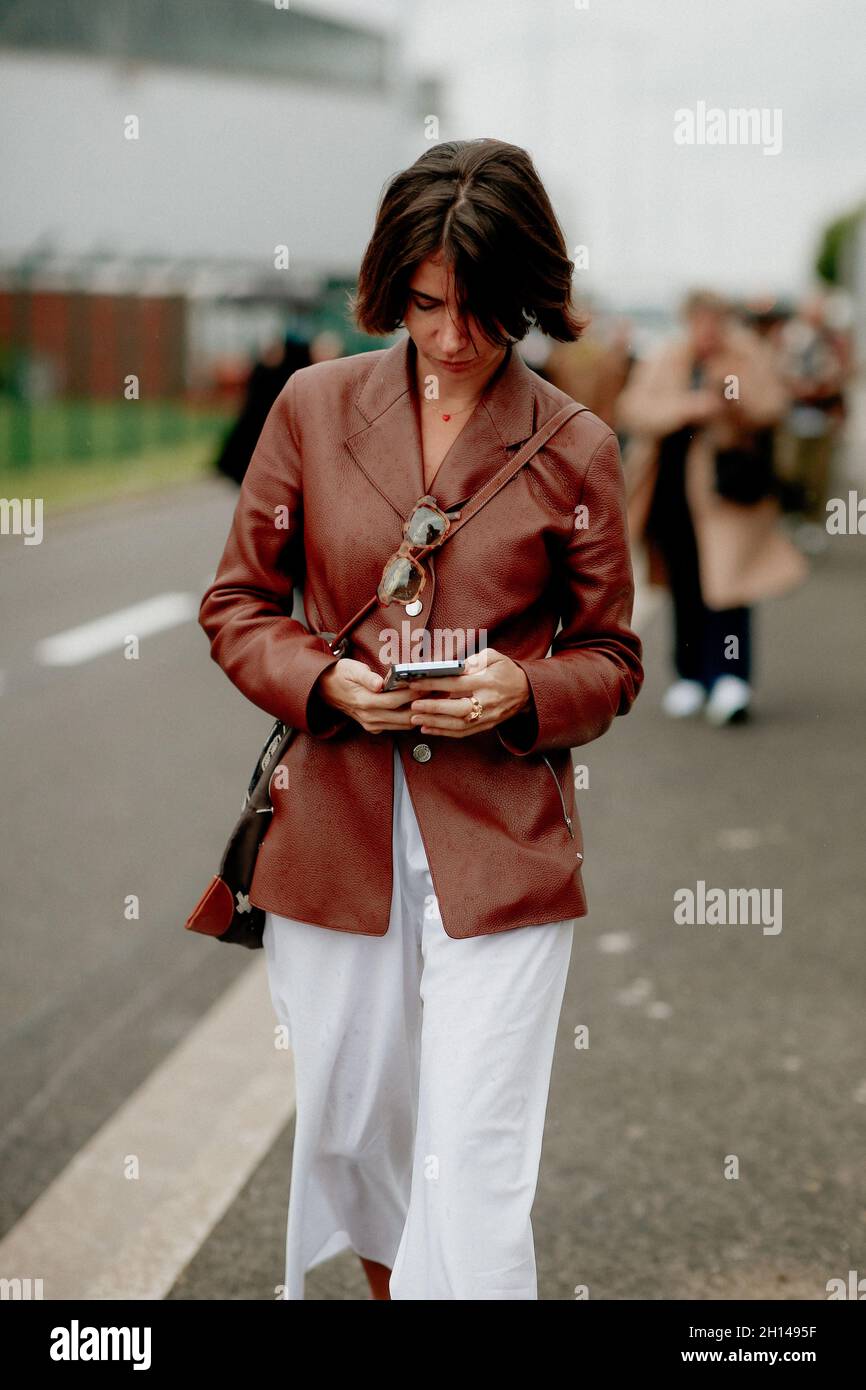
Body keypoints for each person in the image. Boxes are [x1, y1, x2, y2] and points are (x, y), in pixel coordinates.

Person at [198, 138, 643, 1300]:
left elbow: (611, 658)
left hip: (499, 839)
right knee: (357, 1127)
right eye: (429, 303)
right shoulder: (307, 406)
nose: (452, 338)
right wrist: (318, 677)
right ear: (390, 280)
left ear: (530, 297)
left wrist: (526, 692)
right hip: (333, 824)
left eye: (486, 311)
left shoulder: (578, 446)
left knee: (476, 1149)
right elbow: (238, 604)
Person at [618, 289, 807, 725]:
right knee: (683, 587)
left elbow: (773, 406)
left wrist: (732, 403)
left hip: (725, 497)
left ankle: (731, 677)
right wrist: (687, 408)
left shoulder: (747, 355)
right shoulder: (666, 357)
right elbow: (634, 408)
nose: (707, 331)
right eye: (699, 320)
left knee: (729, 588)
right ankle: (691, 676)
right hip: (670, 491)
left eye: (714, 321)